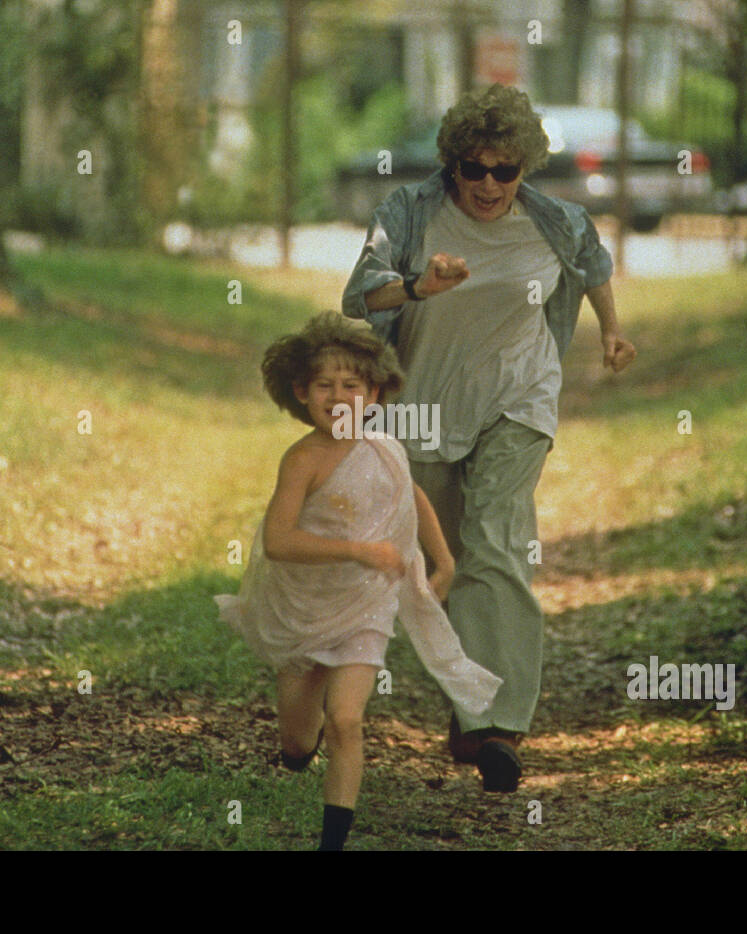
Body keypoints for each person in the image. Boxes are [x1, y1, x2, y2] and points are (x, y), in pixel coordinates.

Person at [342, 84, 636, 793]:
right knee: (441, 559)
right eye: (474, 168)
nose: (489, 184)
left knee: (497, 539)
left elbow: (593, 264)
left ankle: (500, 723)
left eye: (505, 170)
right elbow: (360, 294)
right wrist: (420, 286)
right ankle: (466, 699)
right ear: (454, 166)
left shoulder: (554, 220)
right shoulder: (410, 213)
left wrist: (613, 330)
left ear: (523, 170)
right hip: (424, 408)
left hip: (519, 399)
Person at [215, 312, 502, 851]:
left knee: (346, 720)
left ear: (375, 393)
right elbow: (278, 541)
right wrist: (358, 549)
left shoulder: (384, 448)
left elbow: (410, 496)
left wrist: (443, 562)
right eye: (324, 384)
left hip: (366, 605)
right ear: (300, 391)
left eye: (352, 385)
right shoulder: (302, 460)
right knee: (298, 742)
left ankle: (332, 842)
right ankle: (301, 746)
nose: (338, 396)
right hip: (301, 607)